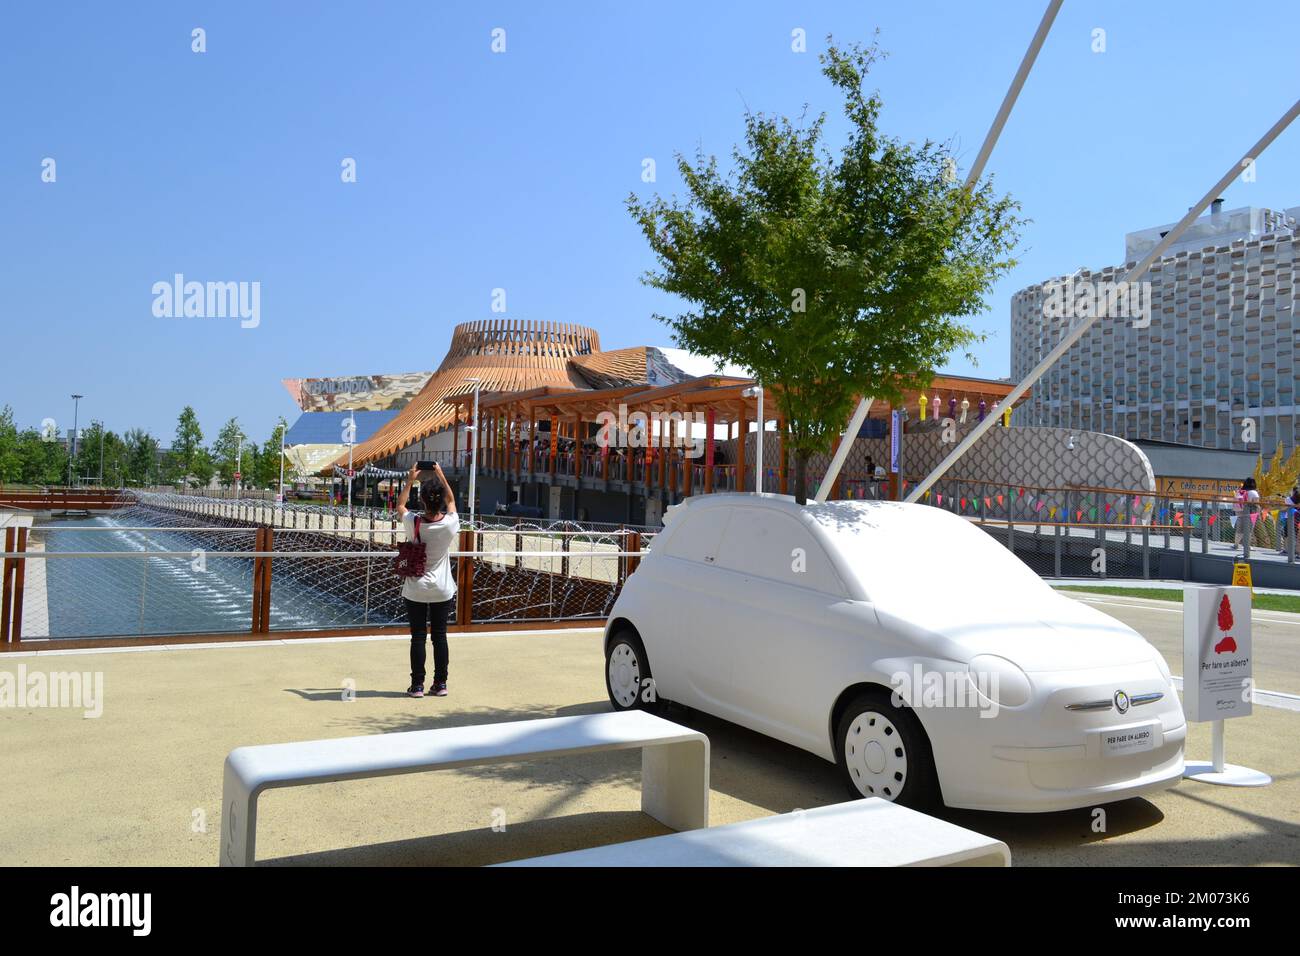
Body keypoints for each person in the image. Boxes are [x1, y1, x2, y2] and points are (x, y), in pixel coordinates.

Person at [395, 461, 459, 698]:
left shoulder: (414, 523)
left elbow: (400, 505)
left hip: (416, 588)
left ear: (422, 499)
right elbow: (452, 502)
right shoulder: (450, 524)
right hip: (442, 589)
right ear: (440, 499)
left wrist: (411, 479)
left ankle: (417, 686)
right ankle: (440, 684)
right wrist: (442, 475)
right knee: (439, 636)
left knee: (418, 636)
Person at [1234, 477, 1260, 551]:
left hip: (1240, 512)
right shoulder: (1253, 492)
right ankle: (1247, 546)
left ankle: (1236, 544)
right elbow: (1256, 503)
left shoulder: (1240, 492)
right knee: (1249, 530)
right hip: (1251, 513)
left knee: (1240, 529)